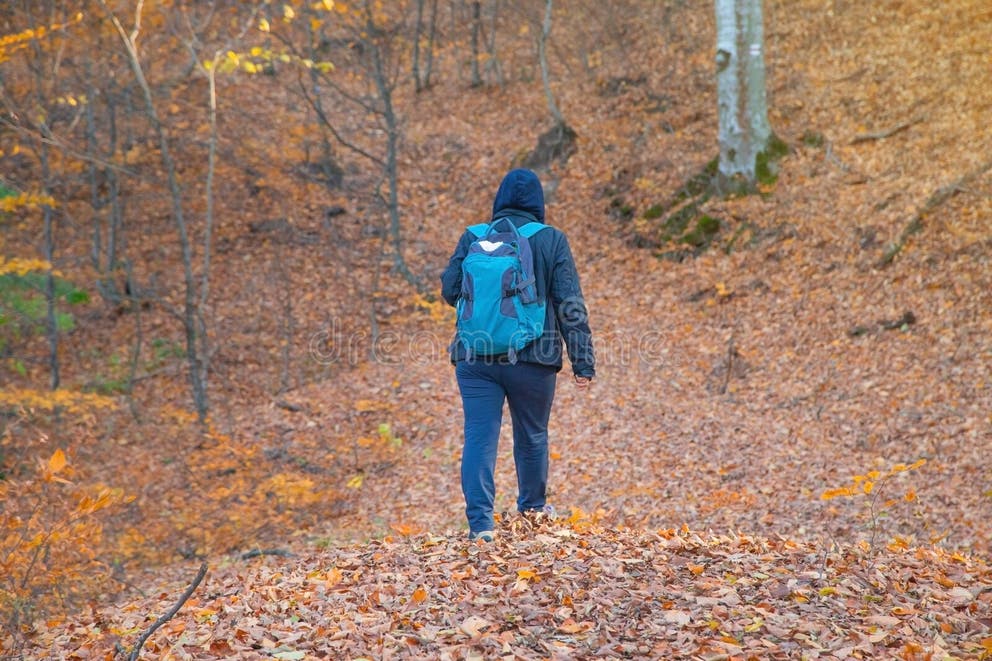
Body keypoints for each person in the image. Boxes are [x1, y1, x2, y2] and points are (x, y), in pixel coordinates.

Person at [440, 168, 595, 542]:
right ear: (539, 204)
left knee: (479, 436)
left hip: (474, 356)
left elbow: (449, 290)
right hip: (534, 357)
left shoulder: (474, 237)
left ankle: (481, 526)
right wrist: (583, 359)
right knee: (532, 435)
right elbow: (569, 302)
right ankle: (532, 511)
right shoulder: (551, 240)